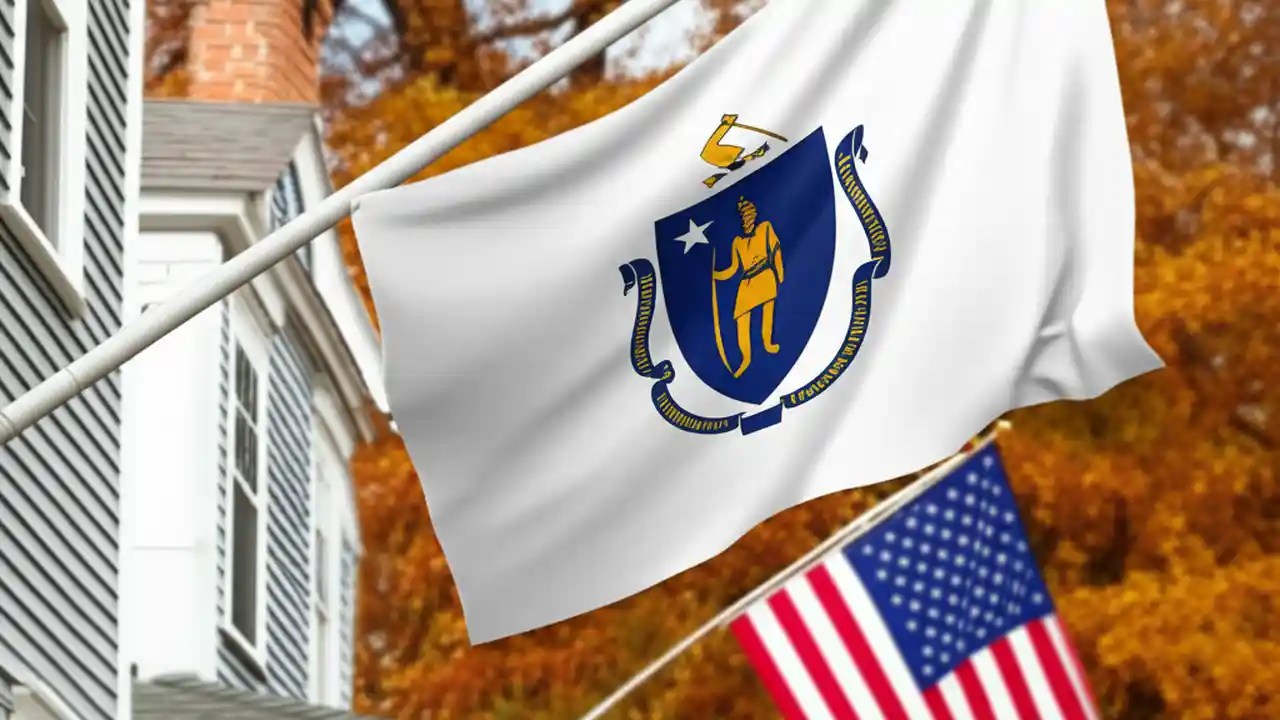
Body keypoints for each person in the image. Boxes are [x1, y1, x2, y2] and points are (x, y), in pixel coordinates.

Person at [713, 196, 785, 378]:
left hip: (766, 274)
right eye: (743, 216)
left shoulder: (765, 228)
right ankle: (746, 358)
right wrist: (714, 275)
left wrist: (780, 273)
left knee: (767, 312)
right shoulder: (738, 242)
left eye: (748, 214)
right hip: (747, 281)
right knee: (741, 318)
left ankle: (767, 343)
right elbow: (732, 270)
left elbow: (776, 250)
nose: (746, 218)